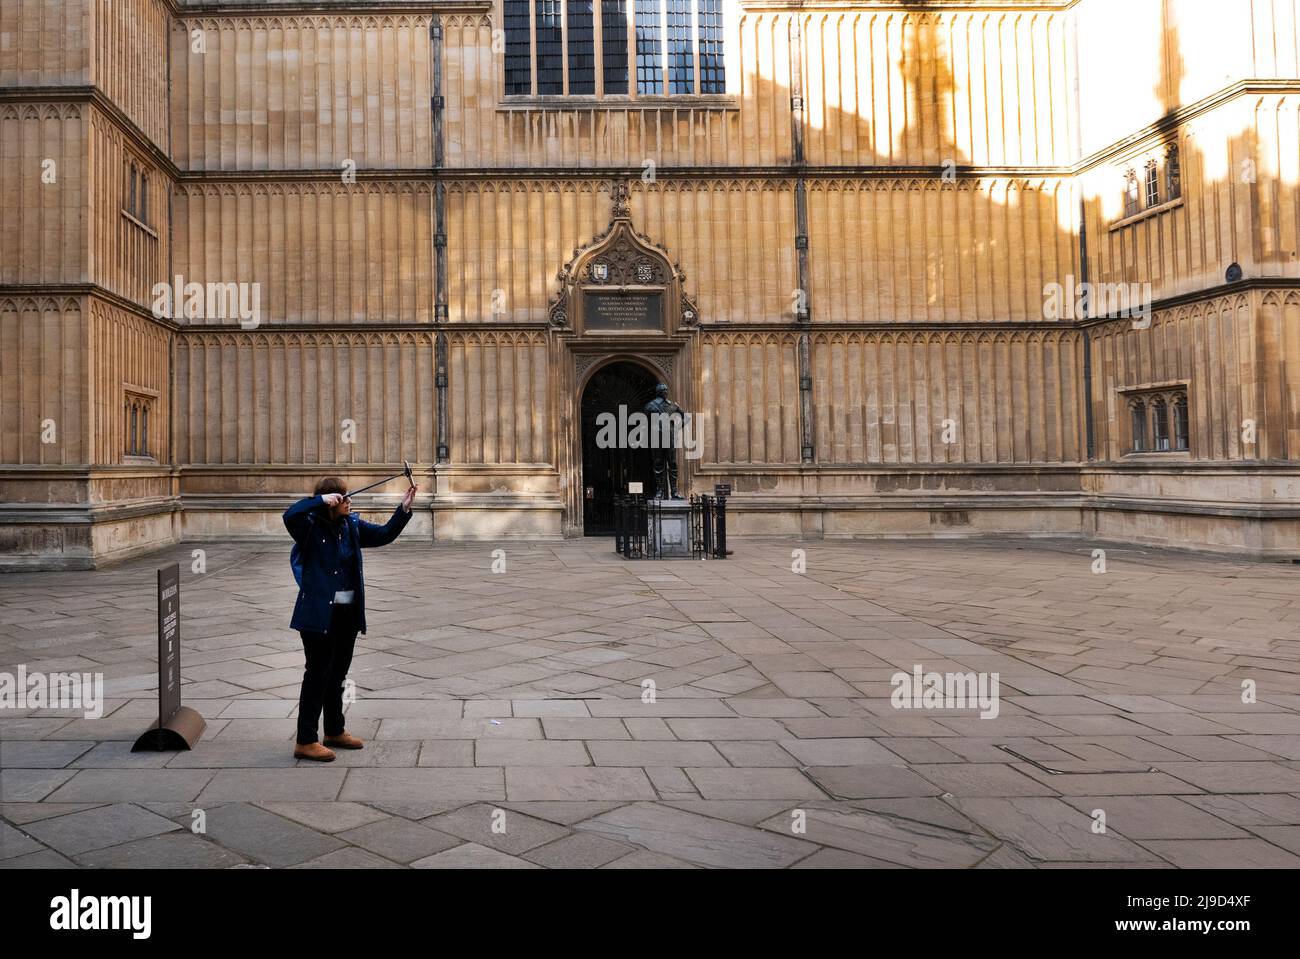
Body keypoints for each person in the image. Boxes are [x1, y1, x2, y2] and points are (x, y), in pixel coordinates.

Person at [282, 477, 416, 761]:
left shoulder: (351, 526)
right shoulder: (309, 528)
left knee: (337, 675)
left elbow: (383, 535)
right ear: (332, 500)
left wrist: (402, 510)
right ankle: (305, 740)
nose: (350, 501)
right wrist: (319, 501)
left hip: (347, 614)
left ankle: (333, 730)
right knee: (317, 674)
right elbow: (289, 514)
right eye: (344, 497)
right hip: (318, 614)